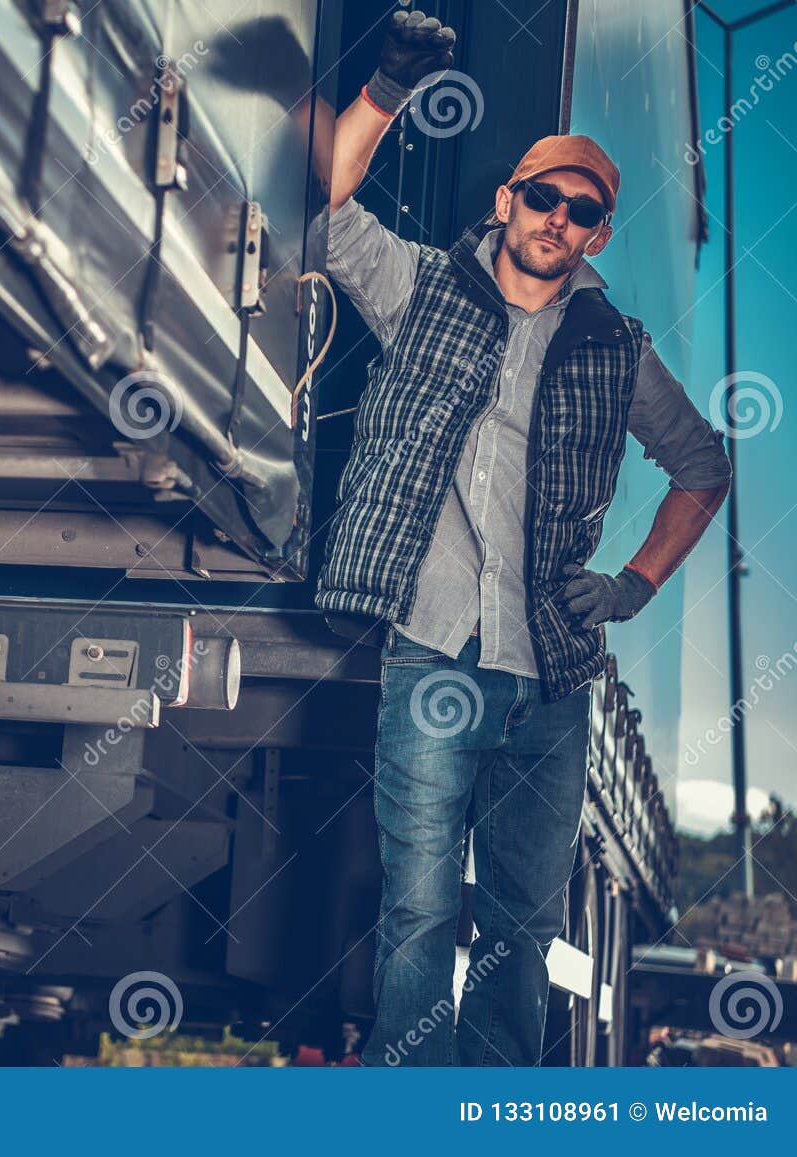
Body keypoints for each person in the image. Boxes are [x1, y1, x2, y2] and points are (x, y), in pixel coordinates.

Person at [316, 10, 733, 1066]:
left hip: (551, 673)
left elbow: (702, 466)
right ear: (507, 199)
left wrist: (635, 583)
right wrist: (385, 92)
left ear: (596, 233)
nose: (555, 215)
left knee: (521, 926)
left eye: (580, 209)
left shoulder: (616, 347)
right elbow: (326, 211)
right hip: (428, 650)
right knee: (417, 912)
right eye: (541, 194)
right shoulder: (420, 287)